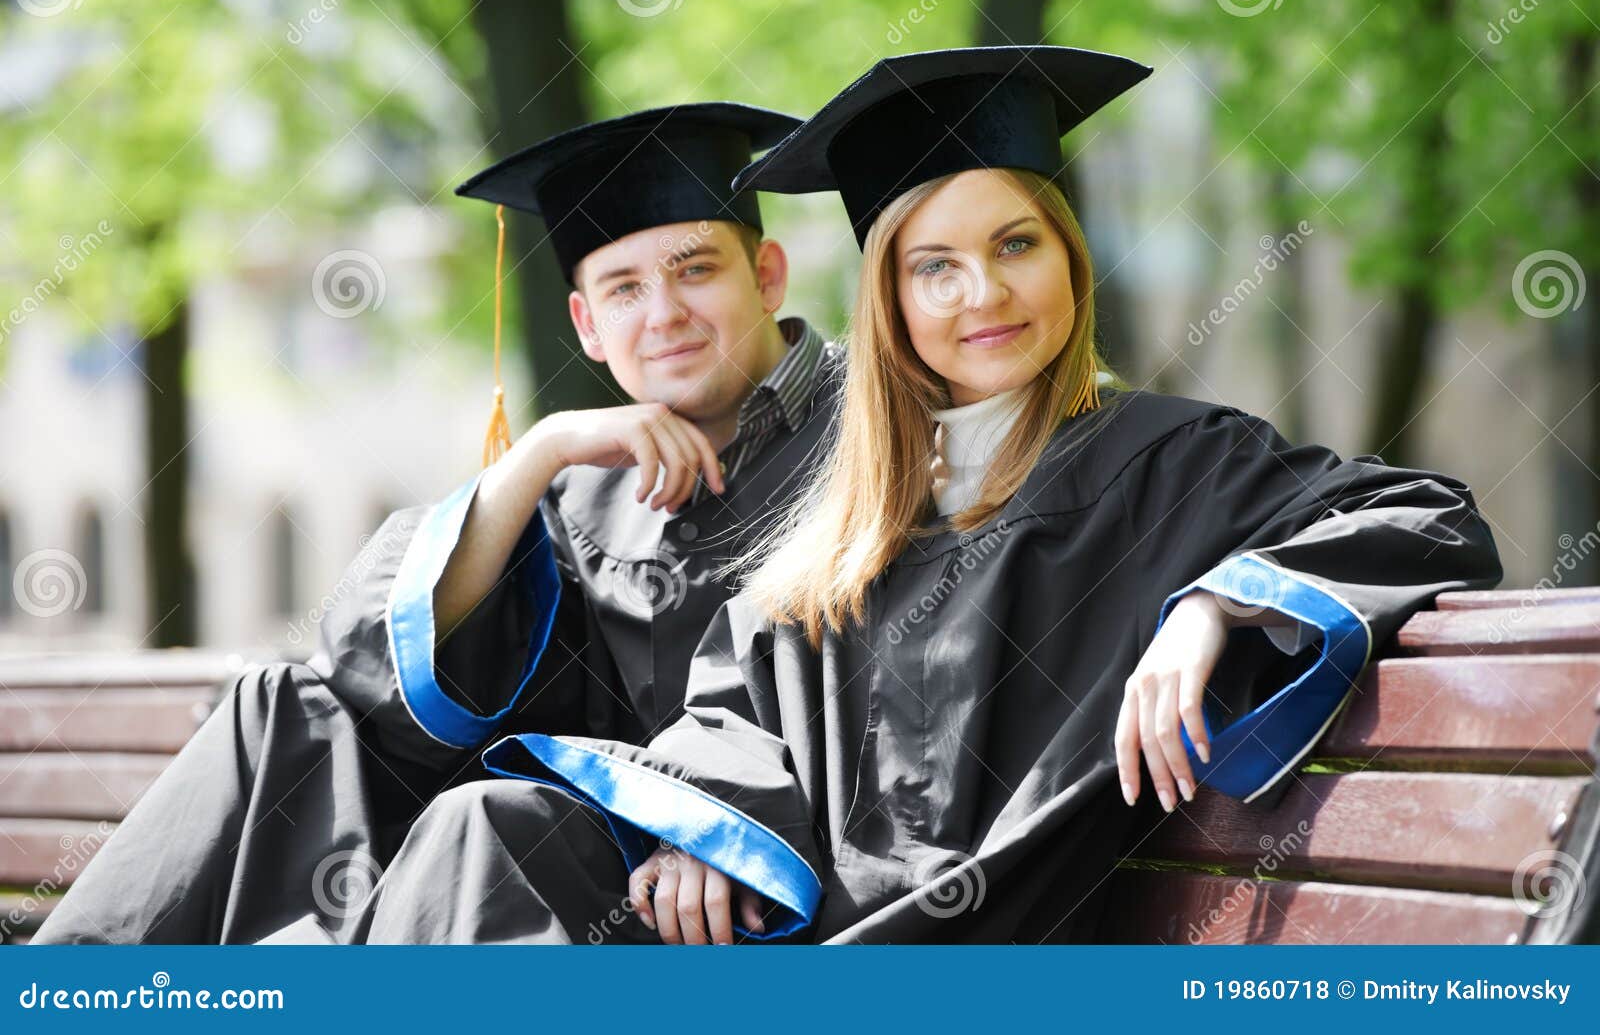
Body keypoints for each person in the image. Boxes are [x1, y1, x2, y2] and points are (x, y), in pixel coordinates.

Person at [339, 46, 1504, 946]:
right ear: (887, 302)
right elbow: (734, 702)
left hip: (968, 953)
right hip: (798, 942)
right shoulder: (850, 516)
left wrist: (1213, 606)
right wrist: (704, 829)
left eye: (1016, 245)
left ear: (1069, 259)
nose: (981, 293)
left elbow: (1426, 515)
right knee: (486, 840)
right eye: (932, 267)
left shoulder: (1164, 461)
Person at [34, 102, 847, 945]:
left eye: (696, 269)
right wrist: (541, 453)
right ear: (587, 327)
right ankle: (64, 989)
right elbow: (379, 675)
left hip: (727, 893)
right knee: (276, 708)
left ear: (768, 276)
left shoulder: (873, 440)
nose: (664, 311)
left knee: (482, 824)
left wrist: (709, 824)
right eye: (623, 289)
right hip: (557, 866)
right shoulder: (585, 490)